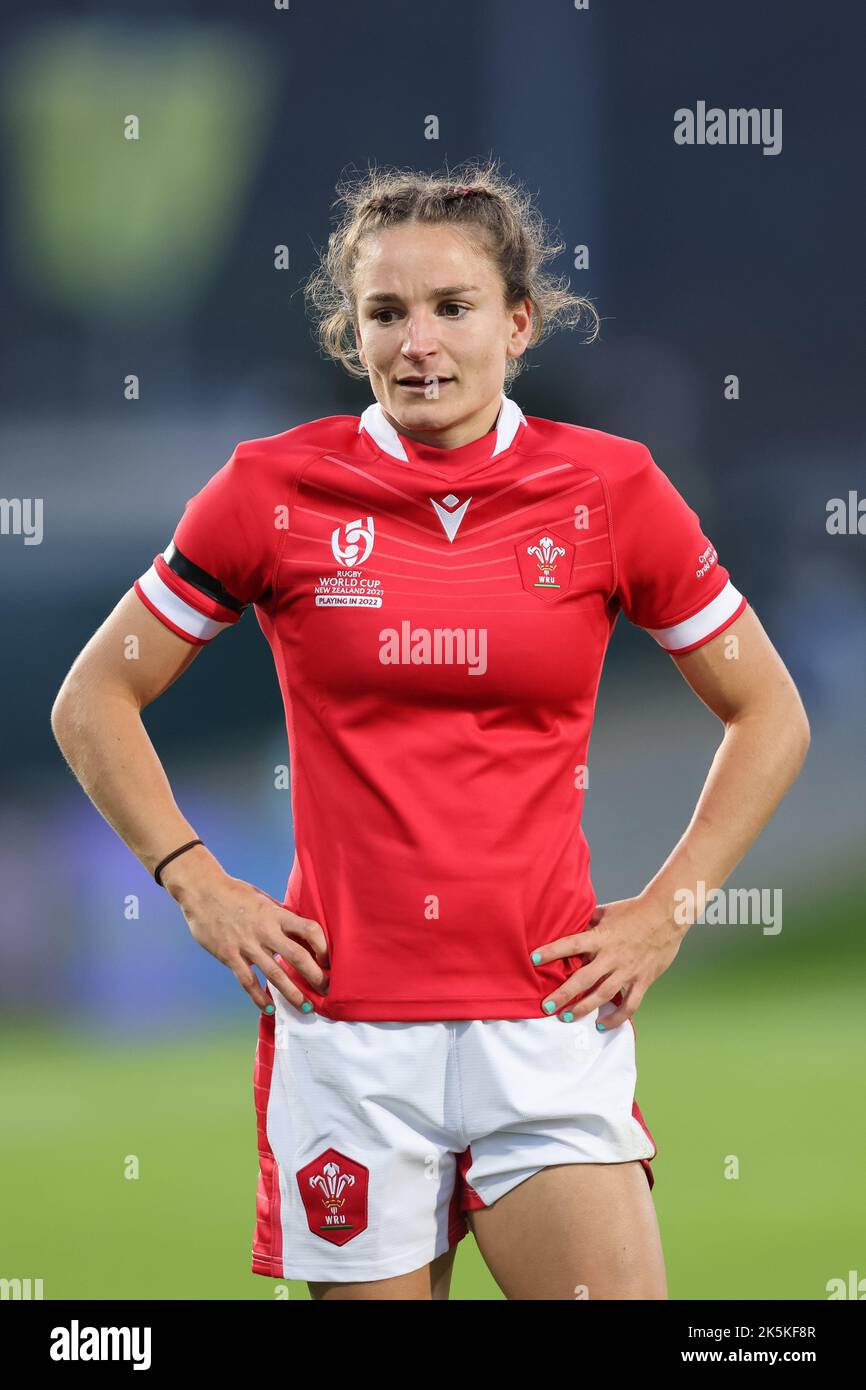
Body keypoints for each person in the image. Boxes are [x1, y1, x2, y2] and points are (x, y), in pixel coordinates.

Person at [50, 161, 810, 1301]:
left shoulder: (611, 490)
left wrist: (667, 910)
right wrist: (195, 879)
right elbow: (93, 697)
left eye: (451, 308)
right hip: (345, 1034)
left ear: (516, 321)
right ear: (349, 330)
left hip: (548, 1020)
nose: (418, 343)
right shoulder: (270, 492)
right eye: (385, 313)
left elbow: (770, 713)